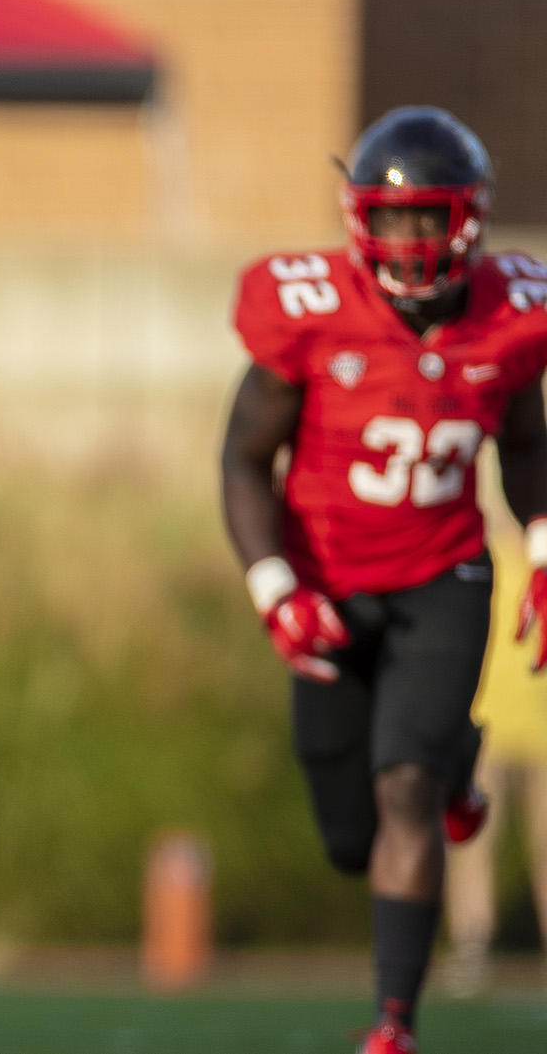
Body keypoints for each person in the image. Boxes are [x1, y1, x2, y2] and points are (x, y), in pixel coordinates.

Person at [219, 105, 547, 1054]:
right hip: (325, 585)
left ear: (470, 220)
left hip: (445, 574)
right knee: (351, 841)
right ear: (357, 216)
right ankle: (452, 758)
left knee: (405, 790)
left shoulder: (509, 318)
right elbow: (244, 460)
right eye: (392, 218)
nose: (408, 240)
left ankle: (393, 1021)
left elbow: (525, 445)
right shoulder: (310, 318)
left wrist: (540, 540)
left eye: (427, 218)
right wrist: (275, 586)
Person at [441, 530, 547, 994]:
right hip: (486, 726)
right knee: (471, 843)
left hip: (543, 732)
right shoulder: (483, 562)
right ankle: (470, 946)